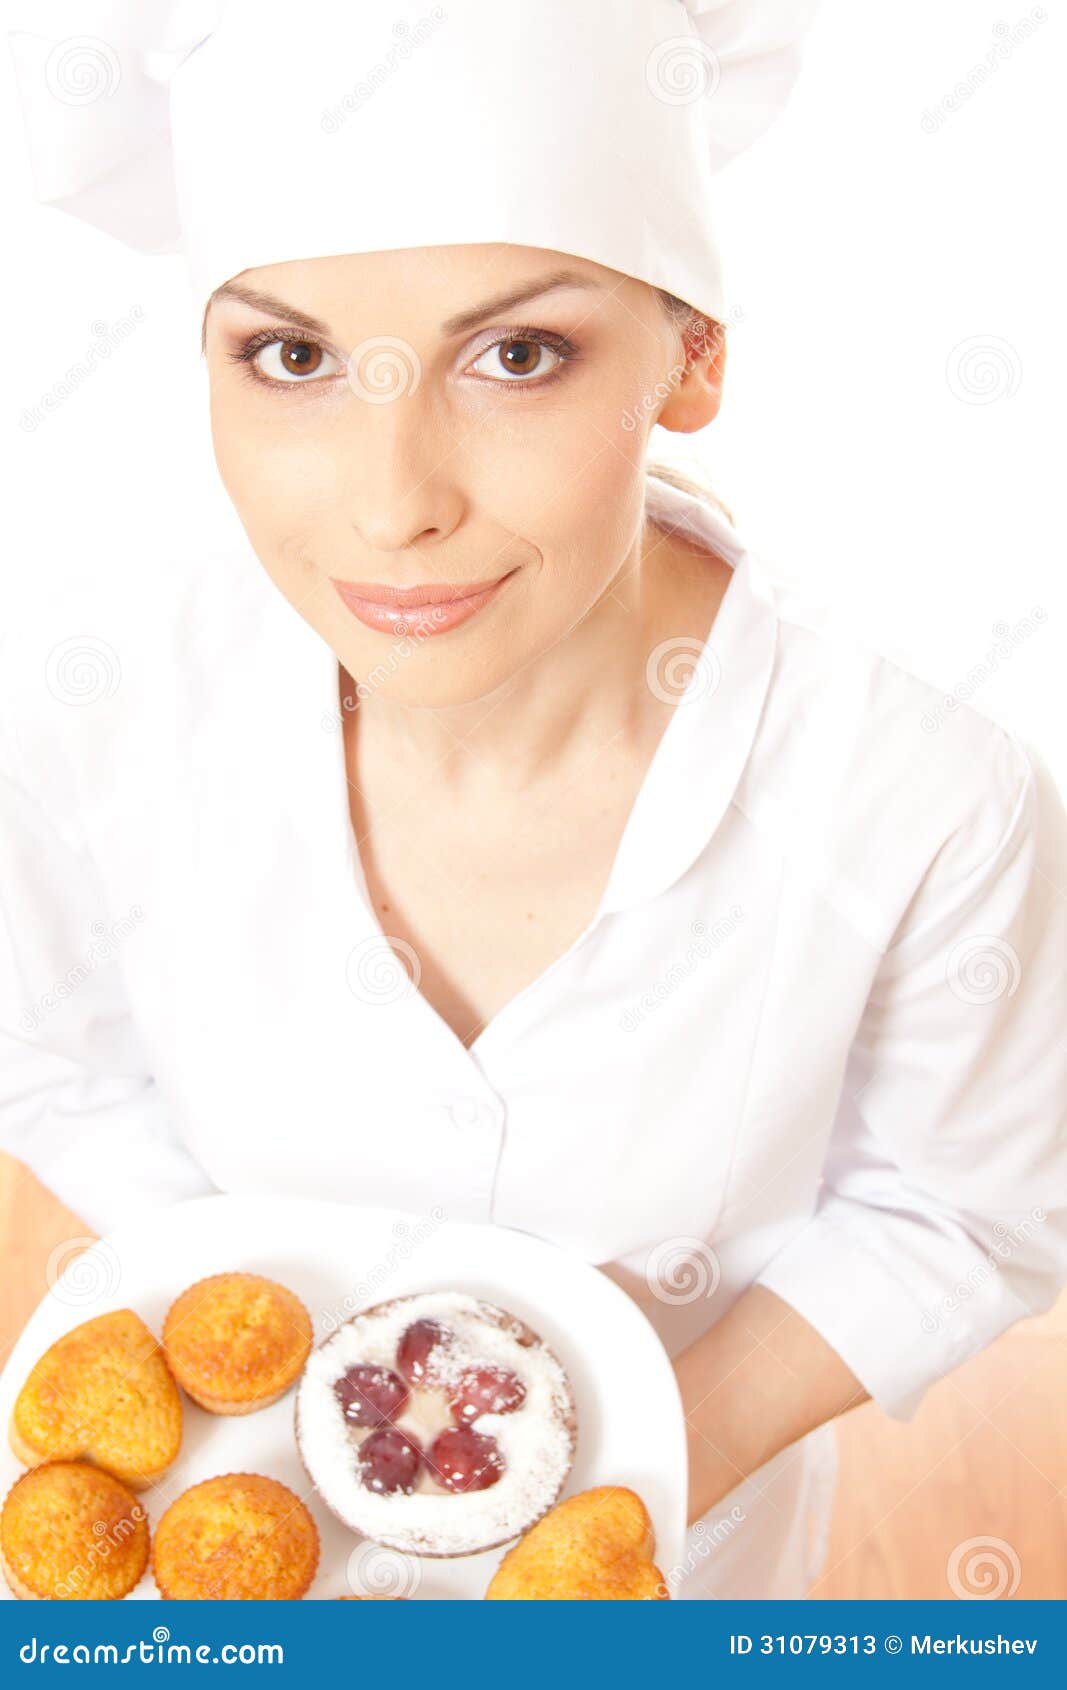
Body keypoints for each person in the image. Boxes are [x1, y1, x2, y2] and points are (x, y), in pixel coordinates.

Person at [3, 0, 1066, 1600]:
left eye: (516, 354)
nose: (392, 503)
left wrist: (602, 1485)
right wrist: (250, 1414)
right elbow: (60, 1082)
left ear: (693, 352)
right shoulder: (96, 728)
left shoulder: (922, 796)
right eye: (291, 358)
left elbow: (969, 1208)